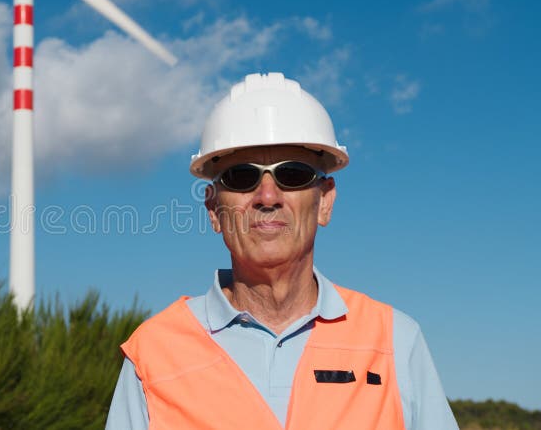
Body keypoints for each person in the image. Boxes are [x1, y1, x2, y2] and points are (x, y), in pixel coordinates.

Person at [106, 73, 458, 430]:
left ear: (325, 201)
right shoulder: (152, 354)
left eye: (293, 175)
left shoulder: (394, 341)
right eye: (241, 177)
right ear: (214, 210)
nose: (268, 197)